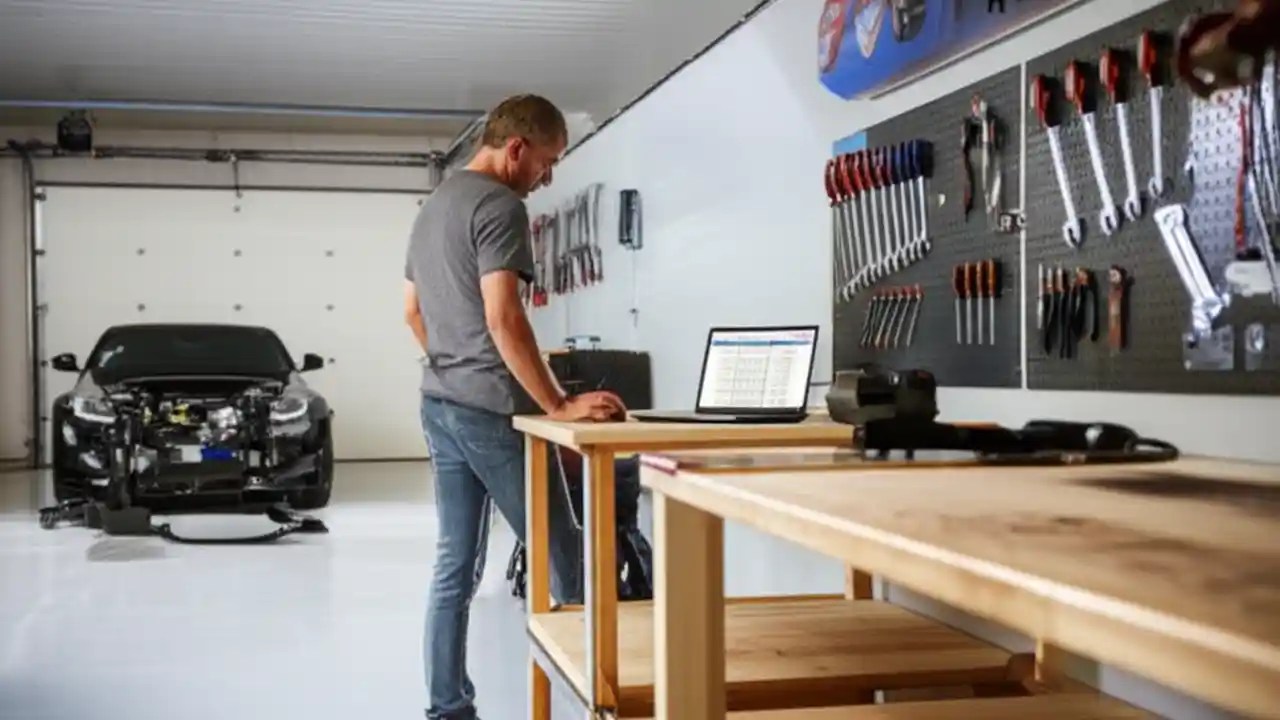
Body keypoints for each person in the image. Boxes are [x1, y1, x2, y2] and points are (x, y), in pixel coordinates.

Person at [402, 94, 626, 720]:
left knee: (454, 567)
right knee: (566, 558)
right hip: (489, 413)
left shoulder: (434, 206)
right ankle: (605, 700)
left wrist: (454, 364)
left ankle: (447, 708)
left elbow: (413, 313)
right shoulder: (499, 205)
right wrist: (557, 403)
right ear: (516, 148)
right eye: (548, 163)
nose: (547, 177)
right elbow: (504, 318)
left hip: (438, 402)